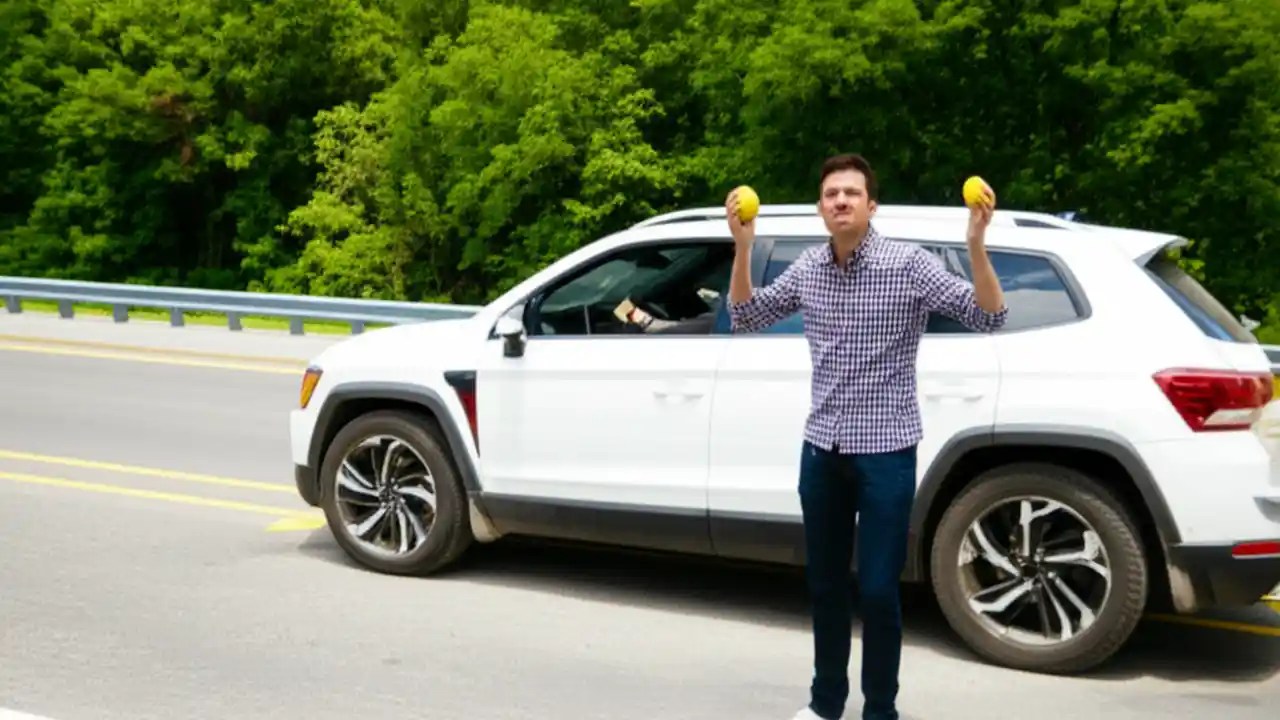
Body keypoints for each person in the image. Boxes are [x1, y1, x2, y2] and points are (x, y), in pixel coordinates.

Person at [723, 153, 1008, 720]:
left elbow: (988, 316)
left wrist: (976, 244)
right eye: (831, 194)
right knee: (825, 587)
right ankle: (825, 703)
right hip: (822, 451)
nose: (841, 201)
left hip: (886, 454)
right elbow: (747, 316)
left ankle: (880, 710)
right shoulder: (808, 268)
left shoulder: (909, 265)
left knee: (878, 591)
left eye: (852, 193)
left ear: (871, 206)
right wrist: (742, 247)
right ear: (820, 208)